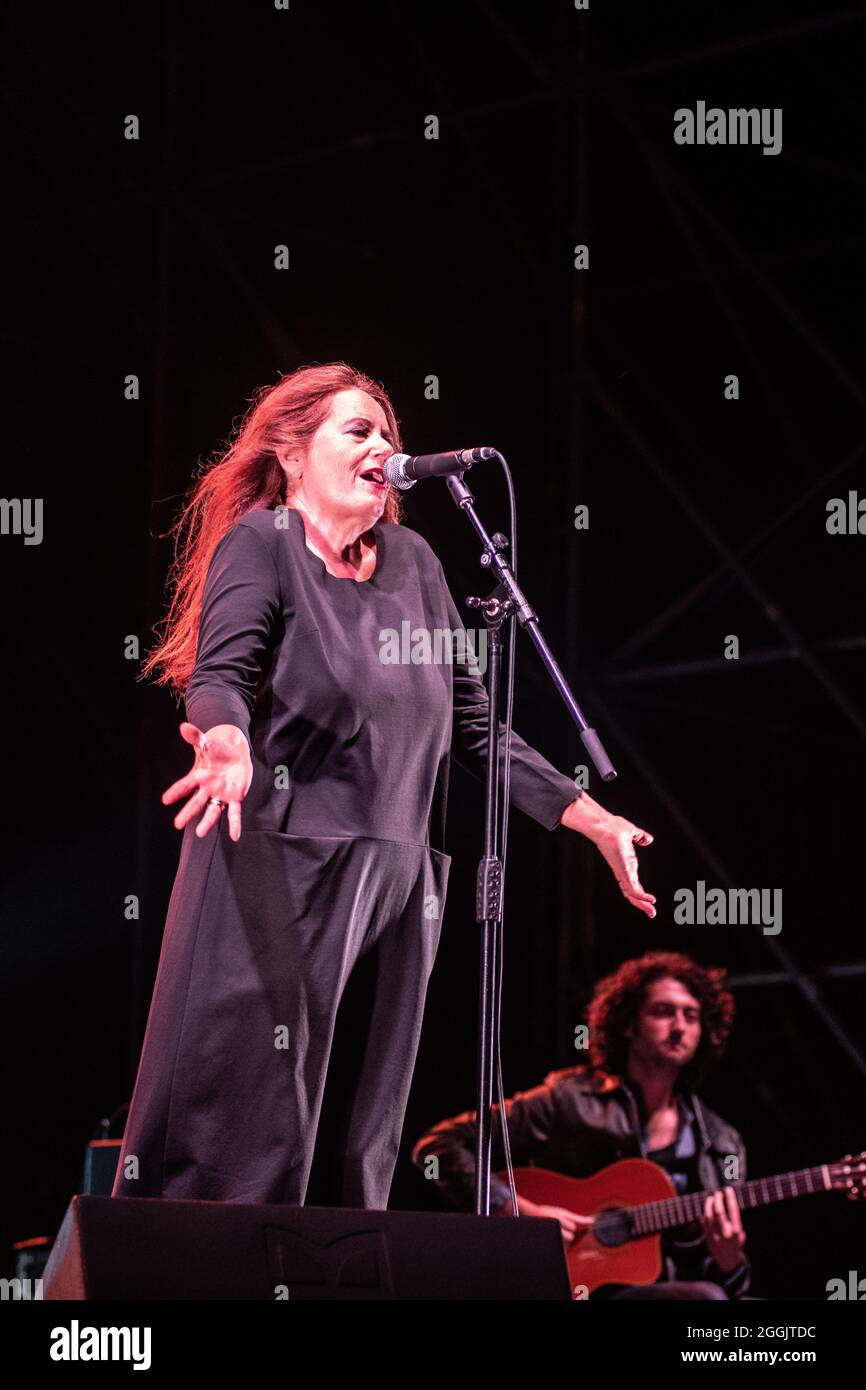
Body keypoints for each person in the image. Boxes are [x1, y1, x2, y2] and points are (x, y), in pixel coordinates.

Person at [111, 361, 656, 1210]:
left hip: (400, 887)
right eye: (356, 429)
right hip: (283, 877)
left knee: (357, 1149)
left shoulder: (415, 564)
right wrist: (225, 740)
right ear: (292, 456)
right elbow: (219, 675)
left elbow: (478, 728)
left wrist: (591, 819)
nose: (382, 445)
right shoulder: (266, 543)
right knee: (252, 1136)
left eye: (387, 433)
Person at [412, 951, 751, 1298]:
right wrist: (520, 1211)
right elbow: (437, 1147)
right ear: (629, 1025)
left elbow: (730, 1287)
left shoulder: (721, 1144)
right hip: (564, 1284)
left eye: (691, 1016)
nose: (679, 1026)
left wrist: (731, 1261)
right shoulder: (570, 1101)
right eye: (663, 1012)